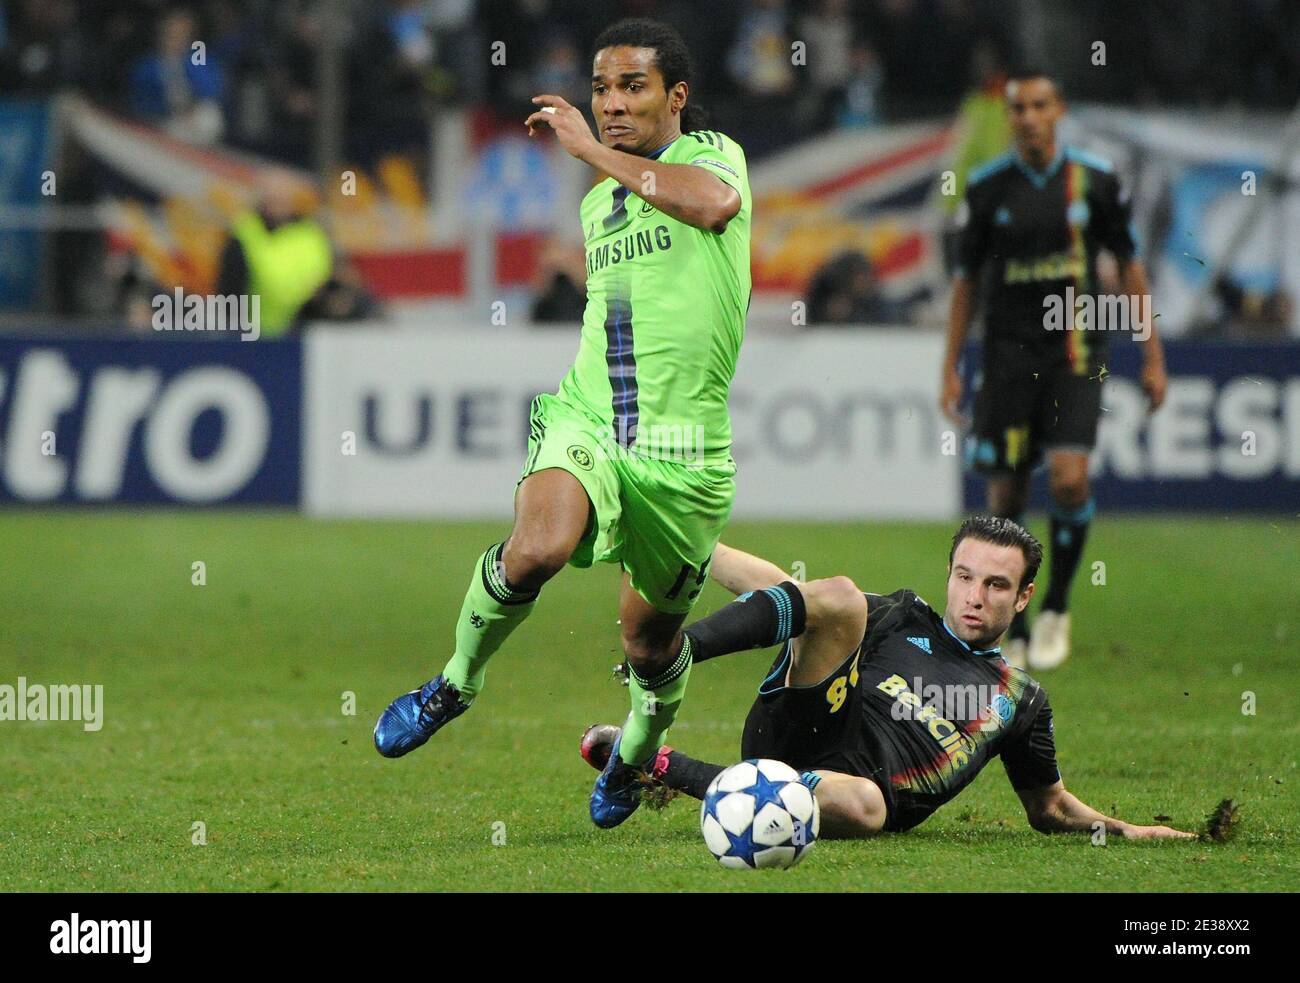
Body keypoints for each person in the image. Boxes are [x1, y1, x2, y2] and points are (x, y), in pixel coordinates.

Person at [374, 18, 752, 831]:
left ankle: (636, 750)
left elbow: (712, 208)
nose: (611, 104)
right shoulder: (599, 203)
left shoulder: (713, 158)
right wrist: (600, 170)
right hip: (589, 416)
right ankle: (454, 682)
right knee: (537, 548)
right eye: (601, 88)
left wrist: (590, 151)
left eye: (632, 87)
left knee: (649, 643)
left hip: (684, 454)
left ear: (675, 96)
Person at [581, 517, 1196, 841]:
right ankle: (674, 655)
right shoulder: (906, 615)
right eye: (964, 576)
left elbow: (1050, 807)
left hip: (856, 795)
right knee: (841, 598)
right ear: (950, 572)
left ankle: (653, 762)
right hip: (799, 726)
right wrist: (682, 539)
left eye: (996, 584)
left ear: (1024, 595)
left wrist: (1130, 830)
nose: (973, 596)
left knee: (869, 805)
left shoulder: (1021, 699)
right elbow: (792, 594)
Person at [939, 70, 1168, 670]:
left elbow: (1130, 264)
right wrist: (950, 368)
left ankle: (1058, 607)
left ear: (1058, 109)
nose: (1029, 116)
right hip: (1008, 362)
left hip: (1076, 357)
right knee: (1005, 498)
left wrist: (1152, 356)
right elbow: (966, 283)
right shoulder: (988, 188)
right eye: (1019, 108)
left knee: (1069, 480)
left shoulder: (1095, 180)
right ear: (1010, 116)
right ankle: (1006, 626)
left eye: (1040, 104)